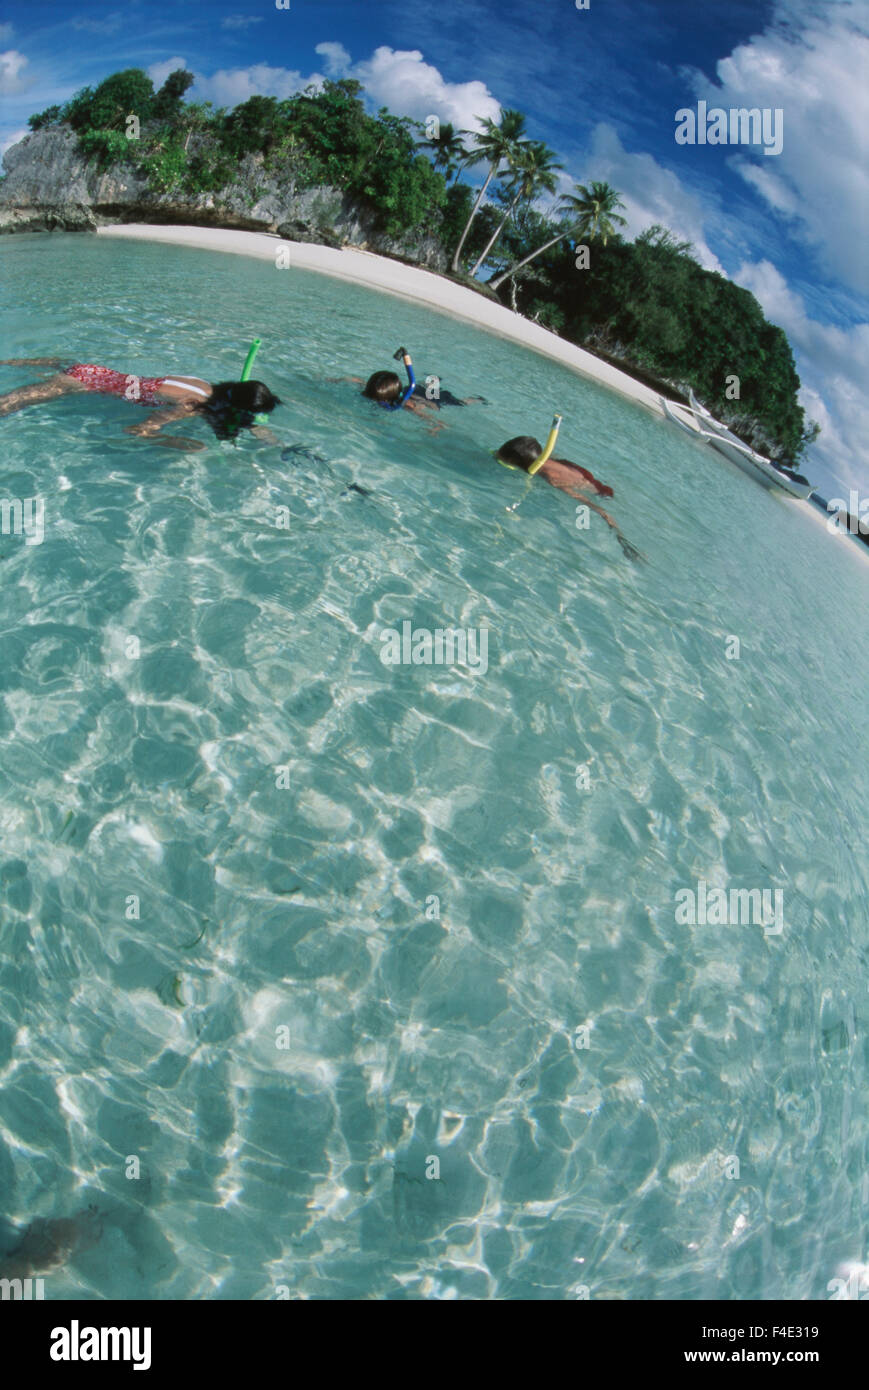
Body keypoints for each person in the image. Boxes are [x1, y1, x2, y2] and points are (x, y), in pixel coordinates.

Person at [0, 357, 281, 449]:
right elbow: (137, 431)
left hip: (92, 370)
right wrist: (180, 443)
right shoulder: (190, 405)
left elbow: (228, 413)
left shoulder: (204, 385)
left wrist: (262, 434)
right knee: (6, 406)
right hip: (83, 384)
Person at [495, 434, 644, 562]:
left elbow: (595, 507)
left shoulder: (553, 480)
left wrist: (620, 538)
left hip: (603, 494)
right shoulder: (546, 458)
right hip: (578, 471)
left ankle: (628, 546)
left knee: (586, 514)